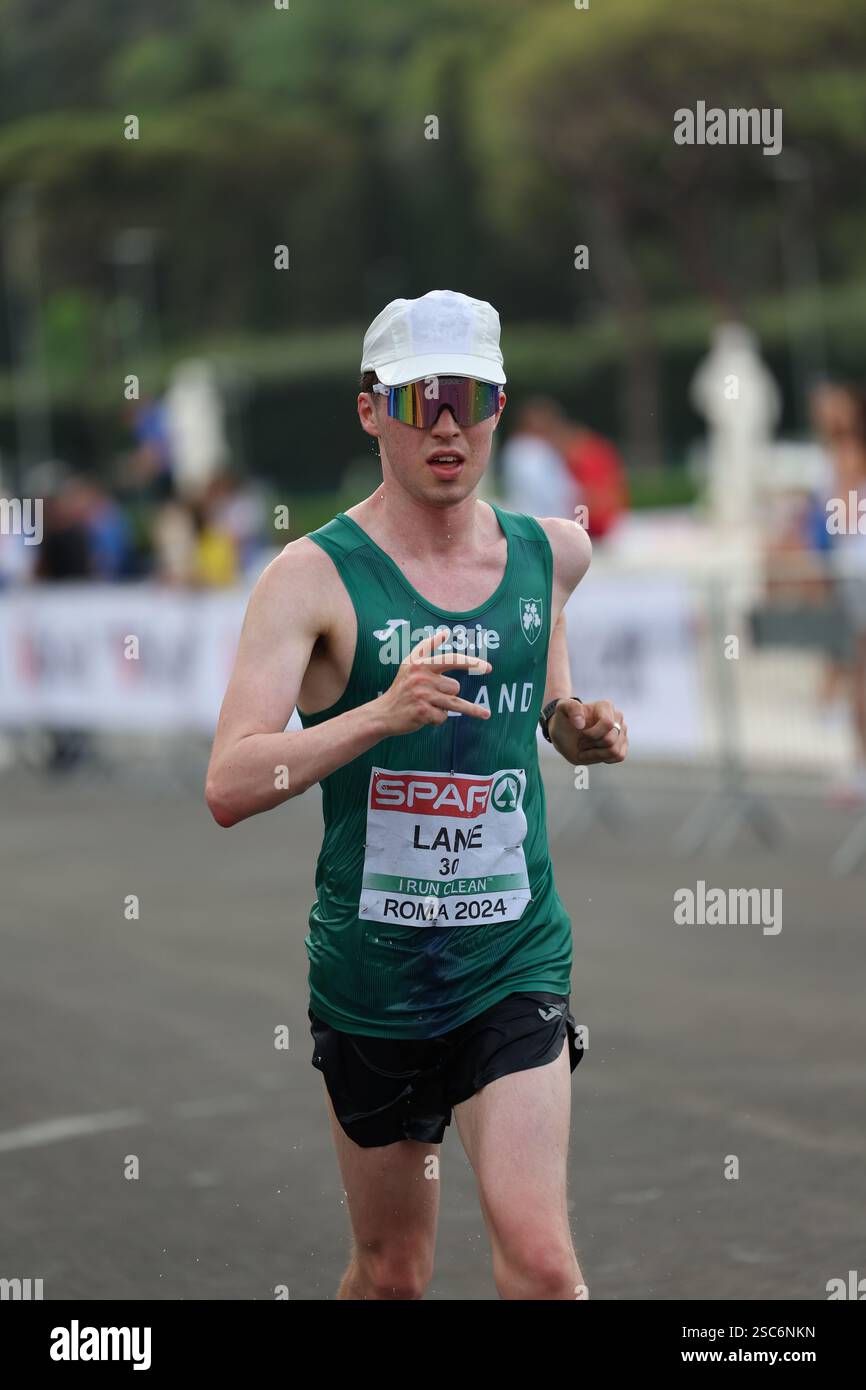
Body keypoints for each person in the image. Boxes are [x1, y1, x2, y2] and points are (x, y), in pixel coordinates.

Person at [205, 289, 629, 1300]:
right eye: (418, 398)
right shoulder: (310, 580)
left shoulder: (550, 554)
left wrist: (574, 727)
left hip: (510, 956)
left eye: (469, 396)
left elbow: (550, 699)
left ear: (498, 406)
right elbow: (227, 781)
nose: (446, 422)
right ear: (370, 411)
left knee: (541, 1262)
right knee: (393, 1272)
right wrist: (372, 717)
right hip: (373, 979)